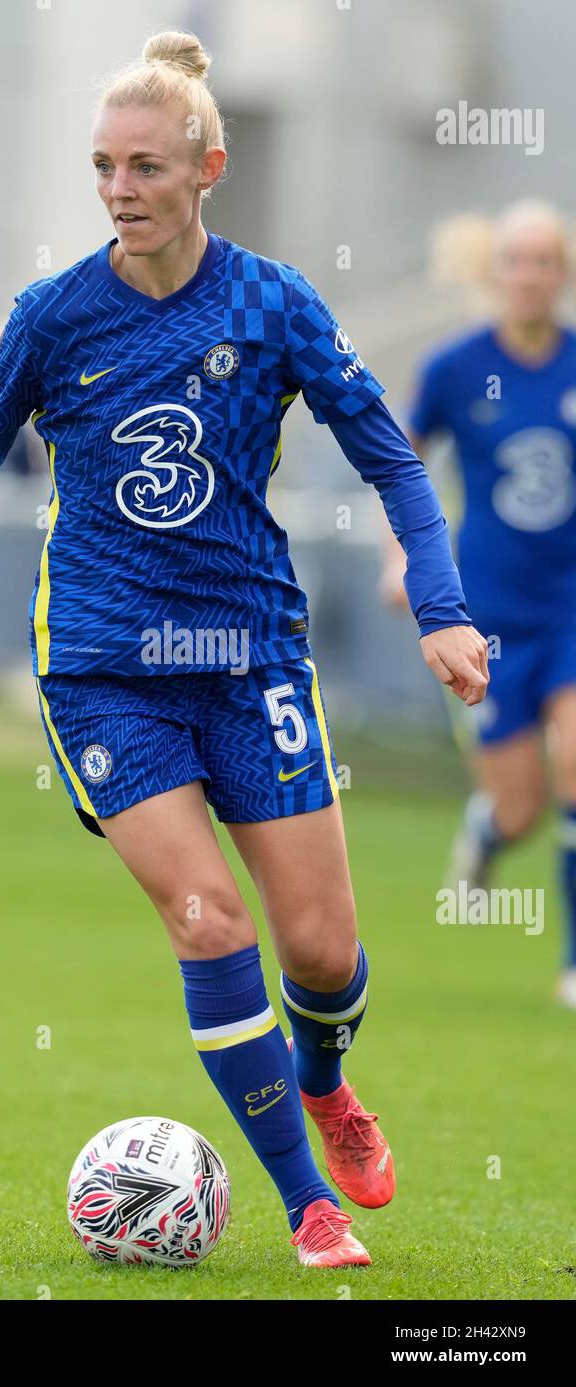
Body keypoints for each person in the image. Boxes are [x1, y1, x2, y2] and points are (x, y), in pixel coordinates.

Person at [0, 29, 488, 1268]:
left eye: (147, 166)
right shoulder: (52, 314)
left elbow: (390, 459)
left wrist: (439, 603)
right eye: (104, 165)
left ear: (207, 167)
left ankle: (324, 1079)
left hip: (250, 654)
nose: (120, 189)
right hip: (105, 669)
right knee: (211, 921)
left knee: (320, 950)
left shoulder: (273, 301)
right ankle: (301, 1201)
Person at [381, 200, 576, 1009]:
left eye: (544, 260)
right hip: (487, 613)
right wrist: (403, 561)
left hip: (570, 609)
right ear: (494, 273)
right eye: (516, 260)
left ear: (561, 274)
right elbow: (396, 456)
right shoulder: (458, 367)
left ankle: (571, 963)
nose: (529, 274)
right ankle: (486, 832)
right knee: (522, 807)